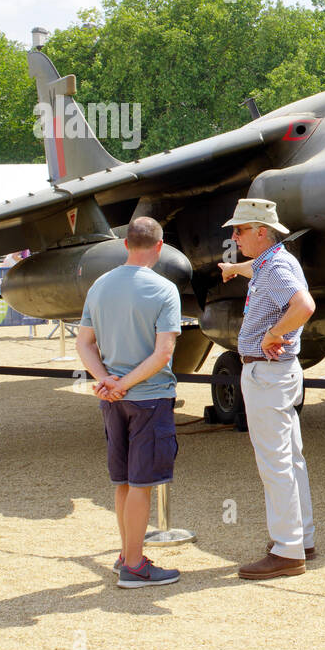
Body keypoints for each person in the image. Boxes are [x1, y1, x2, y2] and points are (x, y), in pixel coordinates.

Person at [76, 216, 182, 589]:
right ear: (160, 245)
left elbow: (84, 343)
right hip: (149, 398)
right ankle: (134, 565)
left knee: (123, 482)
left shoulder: (99, 286)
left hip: (111, 400)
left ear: (125, 244)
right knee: (141, 485)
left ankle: (128, 552)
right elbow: (162, 354)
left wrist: (106, 380)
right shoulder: (165, 290)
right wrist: (124, 384)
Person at [218, 199, 318, 580]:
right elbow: (255, 268)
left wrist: (274, 334)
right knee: (290, 458)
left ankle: (288, 549)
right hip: (278, 372)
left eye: (240, 230)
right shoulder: (273, 260)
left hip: (267, 373)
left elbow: (303, 305)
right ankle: (300, 537)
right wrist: (233, 269)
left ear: (262, 231)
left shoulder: (274, 265)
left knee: (274, 463)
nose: (234, 236)